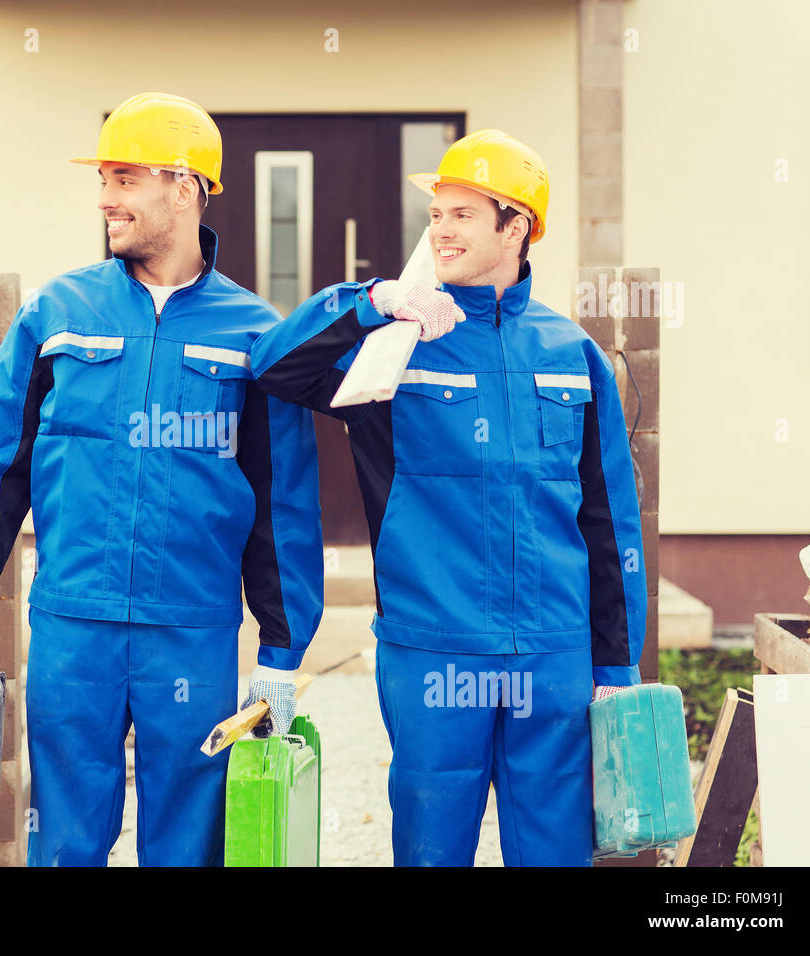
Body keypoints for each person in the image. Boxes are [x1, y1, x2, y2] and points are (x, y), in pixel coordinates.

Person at [0, 92, 323, 866]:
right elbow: (0, 467)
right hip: (76, 622)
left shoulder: (253, 333)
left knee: (188, 844)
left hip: (193, 629)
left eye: (125, 177)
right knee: (66, 837)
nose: (106, 197)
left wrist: (280, 650)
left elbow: (282, 506)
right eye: (102, 178)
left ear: (185, 187)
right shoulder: (58, 313)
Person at [250, 129, 646, 866]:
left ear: (516, 227)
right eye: (436, 215)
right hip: (431, 650)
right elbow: (275, 368)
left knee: (557, 852)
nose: (440, 230)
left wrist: (617, 670)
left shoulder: (573, 355)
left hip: (552, 653)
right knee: (431, 851)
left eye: (462, 214)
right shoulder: (396, 347)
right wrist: (373, 302)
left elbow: (608, 517)